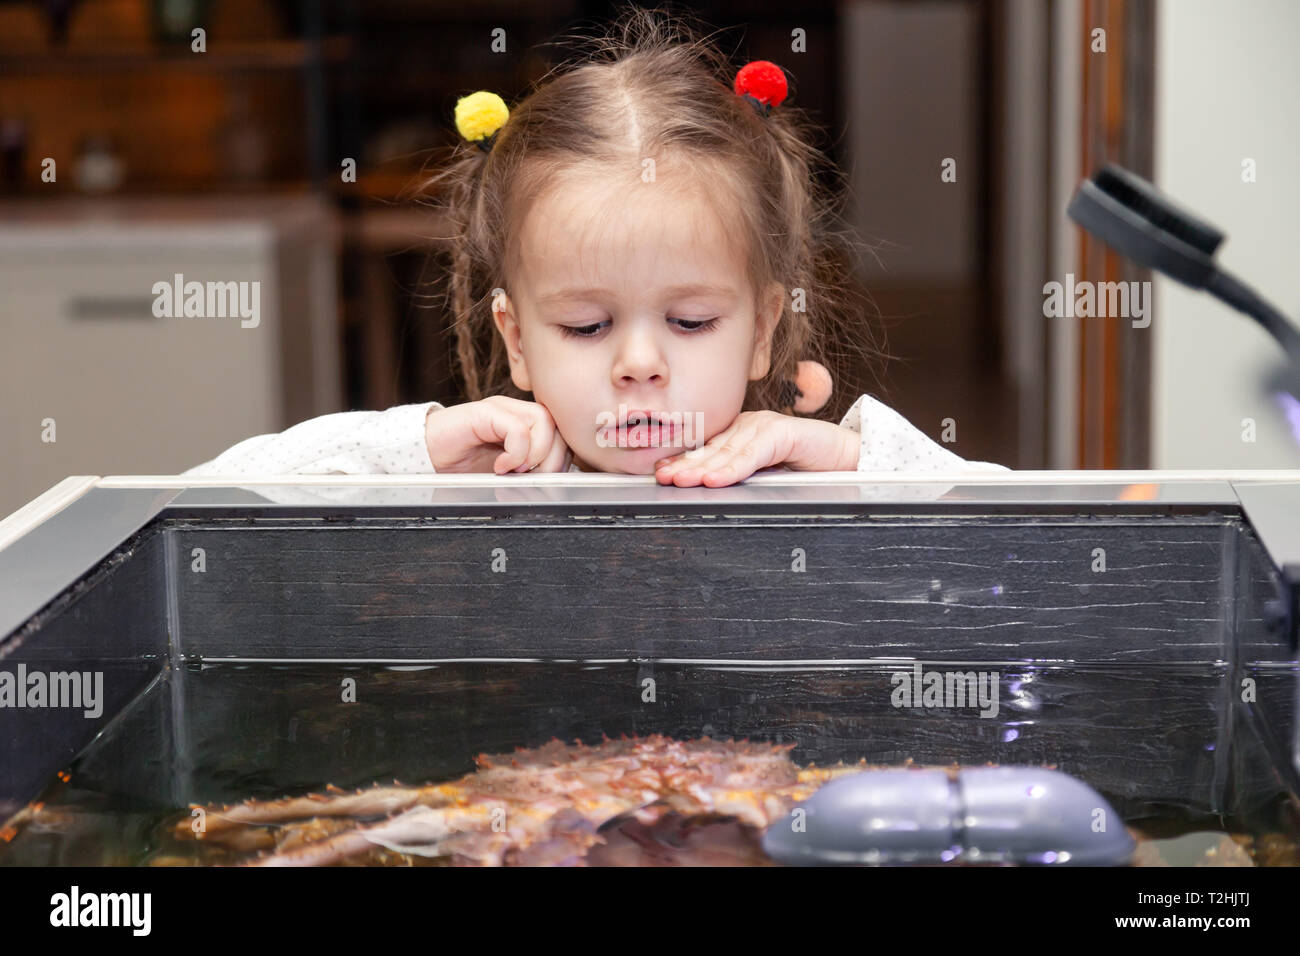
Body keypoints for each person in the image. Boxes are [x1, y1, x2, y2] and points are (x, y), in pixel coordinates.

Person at [185, 8, 1008, 485]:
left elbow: (1021, 540)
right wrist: (421, 446)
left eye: (690, 321)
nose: (638, 363)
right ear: (517, 340)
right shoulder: (499, 482)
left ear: (761, 330)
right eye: (585, 328)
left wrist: (843, 460)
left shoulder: (799, 478)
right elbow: (203, 505)